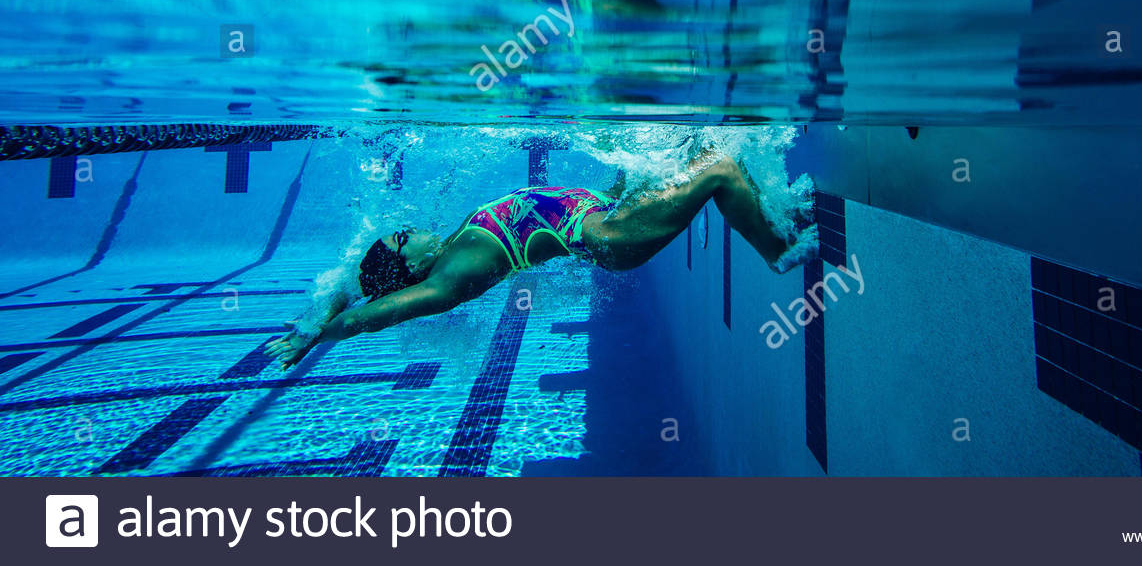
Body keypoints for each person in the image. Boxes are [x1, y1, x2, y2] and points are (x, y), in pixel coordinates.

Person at [266, 152, 816, 368]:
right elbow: (373, 314)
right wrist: (319, 336)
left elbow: (354, 289)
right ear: (408, 270)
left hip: (606, 207)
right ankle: (781, 250)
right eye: (401, 238)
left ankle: (782, 219)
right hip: (608, 235)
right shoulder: (448, 279)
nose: (406, 229)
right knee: (718, 169)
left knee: (683, 144)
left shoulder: (452, 244)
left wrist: (321, 310)